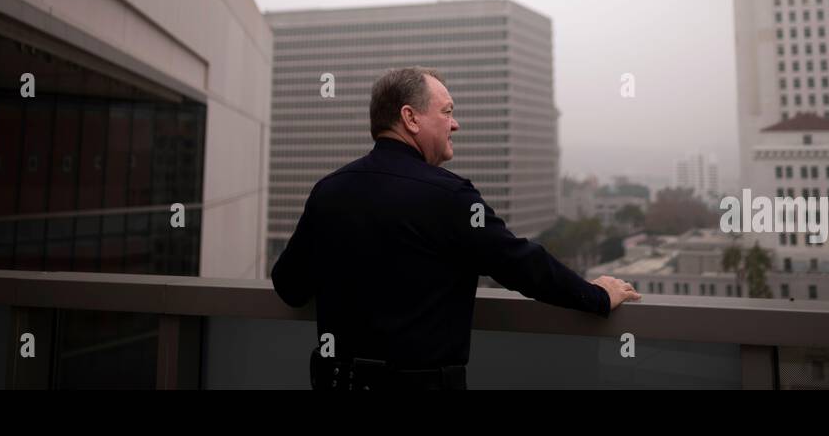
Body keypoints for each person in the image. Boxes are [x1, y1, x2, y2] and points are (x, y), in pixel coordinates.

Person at [271, 65, 640, 389]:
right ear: (410, 119)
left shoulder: (329, 190)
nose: (456, 123)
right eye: (447, 112)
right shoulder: (449, 197)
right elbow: (521, 264)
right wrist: (597, 296)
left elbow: (289, 286)